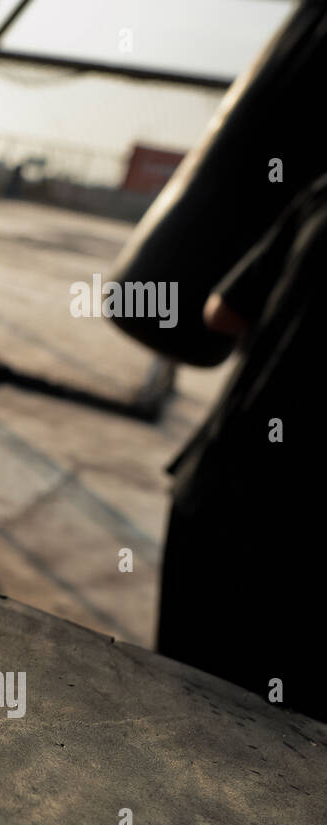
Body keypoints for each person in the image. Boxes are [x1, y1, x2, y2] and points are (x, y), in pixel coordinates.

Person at [156, 173, 324, 720]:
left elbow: (222, 313)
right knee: (288, 750)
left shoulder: (319, 190)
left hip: (223, 490)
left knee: (187, 702)